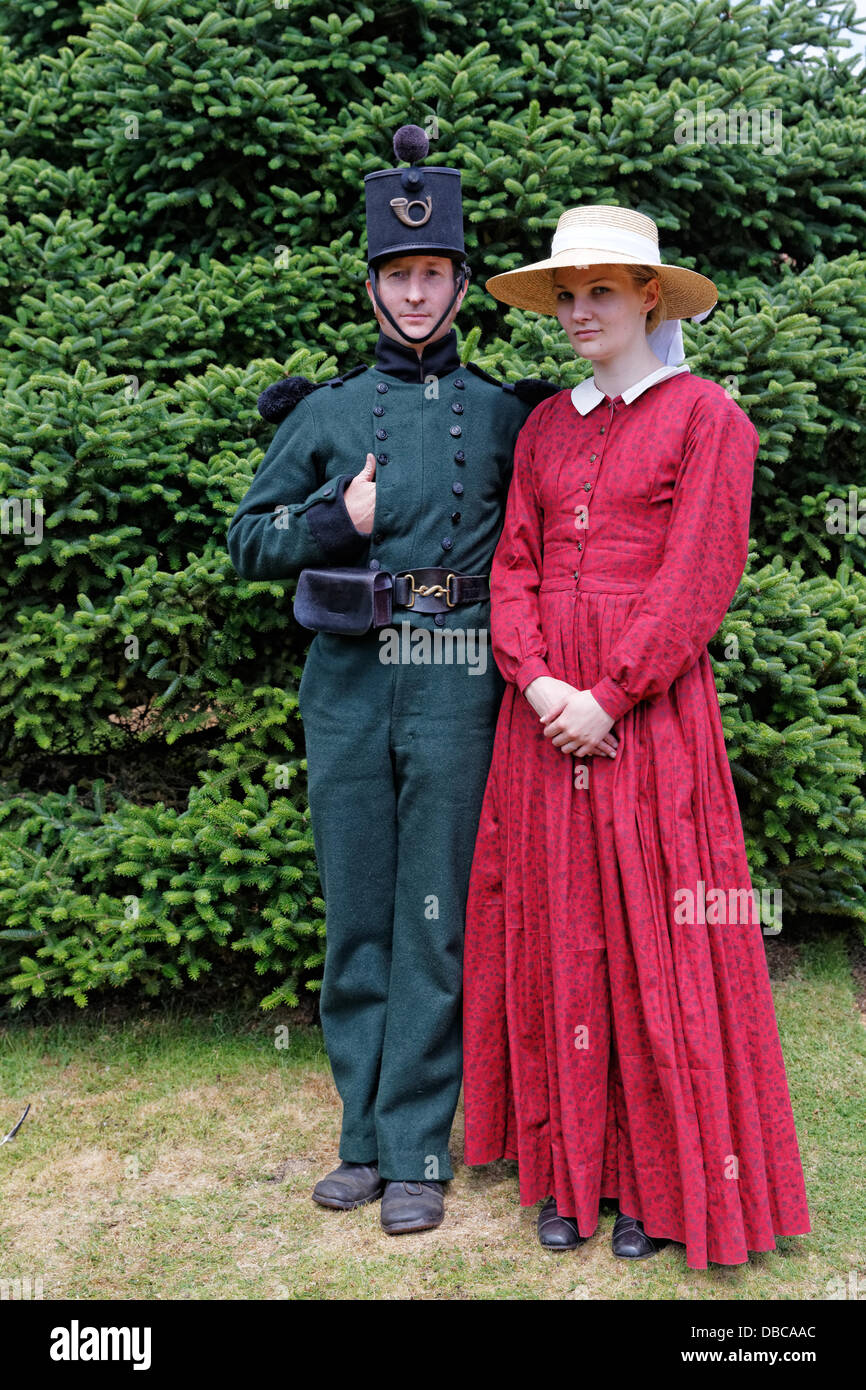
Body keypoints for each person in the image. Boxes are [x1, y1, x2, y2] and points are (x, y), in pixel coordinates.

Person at [461, 205, 811, 1268]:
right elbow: (511, 566)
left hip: (644, 720)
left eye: (598, 294)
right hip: (544, 721)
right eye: (564, 297)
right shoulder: (543, 427)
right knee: (559, 930)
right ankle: (569, 1171)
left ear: (648, 298)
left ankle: (657, 1188)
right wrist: (534, 685)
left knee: (649, 937)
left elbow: (696, 577)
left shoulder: (706, 418)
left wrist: (607, 697)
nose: (577, 313)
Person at [226, 125, 556, 1234]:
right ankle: (359, 1139)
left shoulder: (512, 415)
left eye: (432, 274)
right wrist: (334, 518)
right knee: (359, 906)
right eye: (395, 275)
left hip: (458, 675)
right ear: (370, 283)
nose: (414, 294)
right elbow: (245, 540)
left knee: (435, 915)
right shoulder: (320, 414)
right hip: (350, 679)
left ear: (460, 283)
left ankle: (419, 1143)